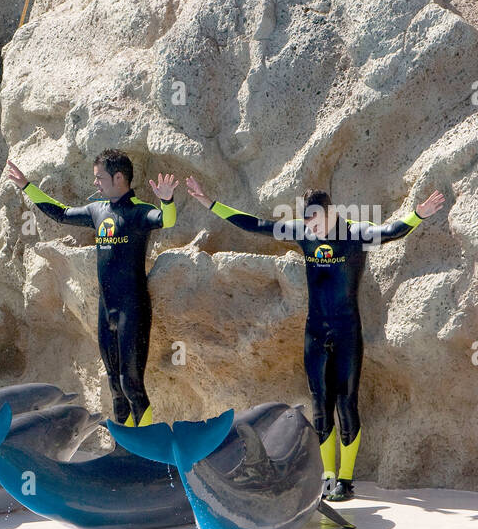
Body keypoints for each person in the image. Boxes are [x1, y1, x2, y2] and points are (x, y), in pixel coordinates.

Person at [184, 177, 445, 501]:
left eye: (316, 220)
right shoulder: (303, 234)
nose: (312, 228)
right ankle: (328, 478)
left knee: (346, 403)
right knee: (320, 406)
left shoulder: (354, 234)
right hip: (316, 332)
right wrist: (210, 203)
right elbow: (256, 225)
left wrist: (417, 215)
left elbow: (391, 232)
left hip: (347, 330)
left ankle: (346, 482)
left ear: (330, 212)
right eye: (307, 221)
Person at [5, 152, 178, 427]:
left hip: (132, 307)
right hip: (106, 309)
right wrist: (28, 187)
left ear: (118, 177)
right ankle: (124, 448)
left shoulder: (138, 211)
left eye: (100, 177)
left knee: (131, 383)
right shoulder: (98, 210)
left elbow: (166, 220)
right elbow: (60, 213)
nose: (95, 183)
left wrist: (167, 200)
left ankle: (144, 453)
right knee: (115, 387)